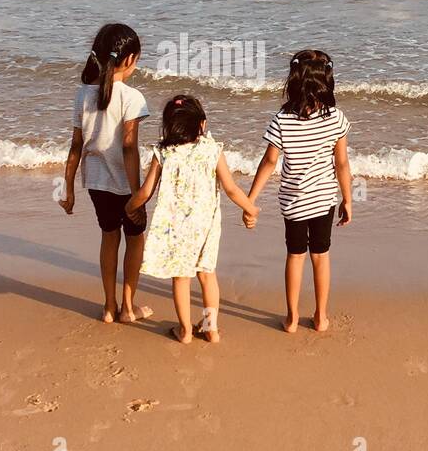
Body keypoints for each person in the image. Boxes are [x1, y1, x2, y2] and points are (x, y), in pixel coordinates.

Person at [127, 94, 259, 343]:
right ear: (202, 124)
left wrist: (129, 207)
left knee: (181, 277)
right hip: (206, 226)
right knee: (208, 275)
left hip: (176, 228)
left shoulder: (164, 153)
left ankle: (186, 330)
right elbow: (231, 189)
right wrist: (250, 208)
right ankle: (211, 328)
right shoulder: (212, 150)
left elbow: (145, 192)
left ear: (168, 126)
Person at [245, 49, 351, 333]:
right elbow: (341, 163)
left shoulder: (282, 120)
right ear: (327, 83)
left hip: (293, 203)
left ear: (292, 82)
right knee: (320, 255)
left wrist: (250, 200)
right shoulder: (335, 119)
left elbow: (269, 162)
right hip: (324, 200)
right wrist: (348, 199)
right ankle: (320, 316)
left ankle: (291, 319)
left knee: (295, 255)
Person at [59, 22, 153, 324]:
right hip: (125, 184)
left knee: (109, 236)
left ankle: (109, 307)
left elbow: (75, 146)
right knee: (135, 239)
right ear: (129, 60)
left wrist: (68, 188)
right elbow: (129, 148)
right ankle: (128, 307)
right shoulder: (132, 97)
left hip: (96, 182)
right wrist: (138, 193)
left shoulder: (82, 94)